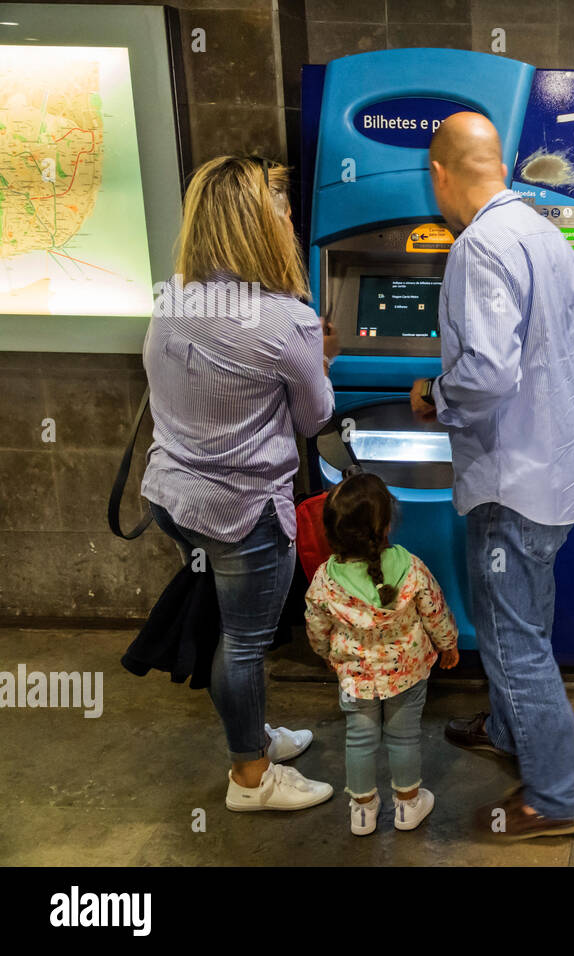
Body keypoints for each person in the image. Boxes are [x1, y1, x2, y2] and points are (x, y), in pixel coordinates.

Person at [409, 112, 574, 840]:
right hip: (558, 474)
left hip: (511, 481)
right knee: (528, 612)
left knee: (510, 636)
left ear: (440, 173)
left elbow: (488, 374)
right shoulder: (546, 233)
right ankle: (505, 726)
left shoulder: (479, 247)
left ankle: (557, 798)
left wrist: (435, 394)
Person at [142, 155, 341, 812]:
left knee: (234, 631)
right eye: (282, 213)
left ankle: (252, 734)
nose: (290, 223)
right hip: (244, 513)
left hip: (175, 498)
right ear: (261, 225)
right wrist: (321, 362)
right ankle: (251, 776)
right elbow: (316, 418)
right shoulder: (285, 320)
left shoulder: (172, 298)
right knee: (245, 644)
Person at [304, 472, 460, 836]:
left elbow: (316, 627)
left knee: (358, 739)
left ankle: (362, 811)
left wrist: (327, 654)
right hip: (408, 674)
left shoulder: (325, 580)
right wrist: (448, 645)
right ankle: (407, 806)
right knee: (404, 737)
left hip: (355, 681)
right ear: (386, 524)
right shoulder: (411, 567)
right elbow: (435, 612)